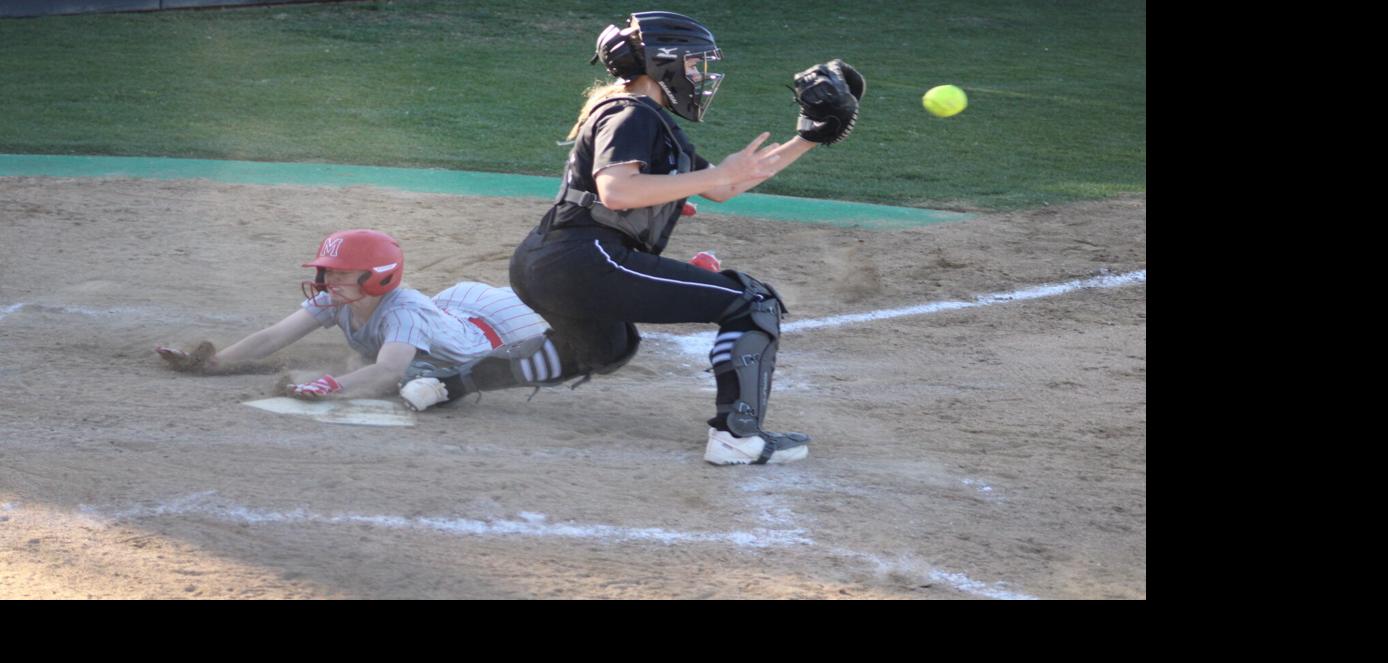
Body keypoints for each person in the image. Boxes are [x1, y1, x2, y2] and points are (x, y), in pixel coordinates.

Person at [401, 11, 863, 465]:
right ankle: (737, 435)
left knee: (604, 348)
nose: (700, 74)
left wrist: (810, 135)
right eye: (693, 63)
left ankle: (445, 383)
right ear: (662, 63)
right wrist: (706, 177)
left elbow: (726, 186)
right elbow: (617, 191)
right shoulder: (632, 115)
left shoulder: (649, 120)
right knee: (751, 301)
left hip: (553, 262)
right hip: (587, 259)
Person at [155, 229, 558, 408]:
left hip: (507, 324)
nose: (328, 279)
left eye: (340, 272)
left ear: (377, 276)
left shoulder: (403, 311)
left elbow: (387, 371)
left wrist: (330, 384)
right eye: (327, 271)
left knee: (575, 308)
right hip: (455, 308)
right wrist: (213, 361)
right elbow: (276, 335)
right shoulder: (338, 298)